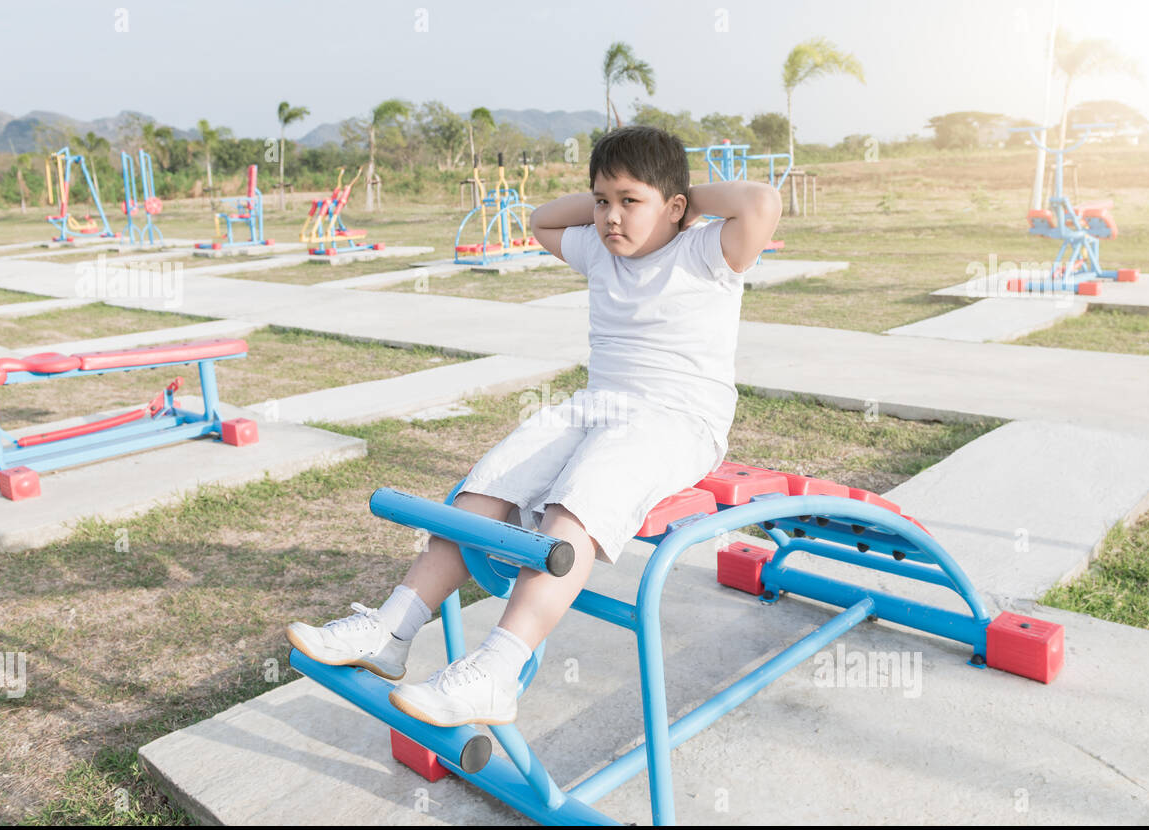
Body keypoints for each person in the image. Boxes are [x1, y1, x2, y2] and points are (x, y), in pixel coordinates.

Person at [287, 125, 782, 728]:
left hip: (680, 418)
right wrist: (628, 198)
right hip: (599, 403)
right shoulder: (601, 250)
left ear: (677, 207)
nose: (611, 218)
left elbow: (761, 203)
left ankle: (497, 672)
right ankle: (392, 628)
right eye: (602, 202)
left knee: (575, 503)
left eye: (630, 202)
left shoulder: (704, 251)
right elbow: (542, 219)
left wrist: (678, 200)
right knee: (487, 484)